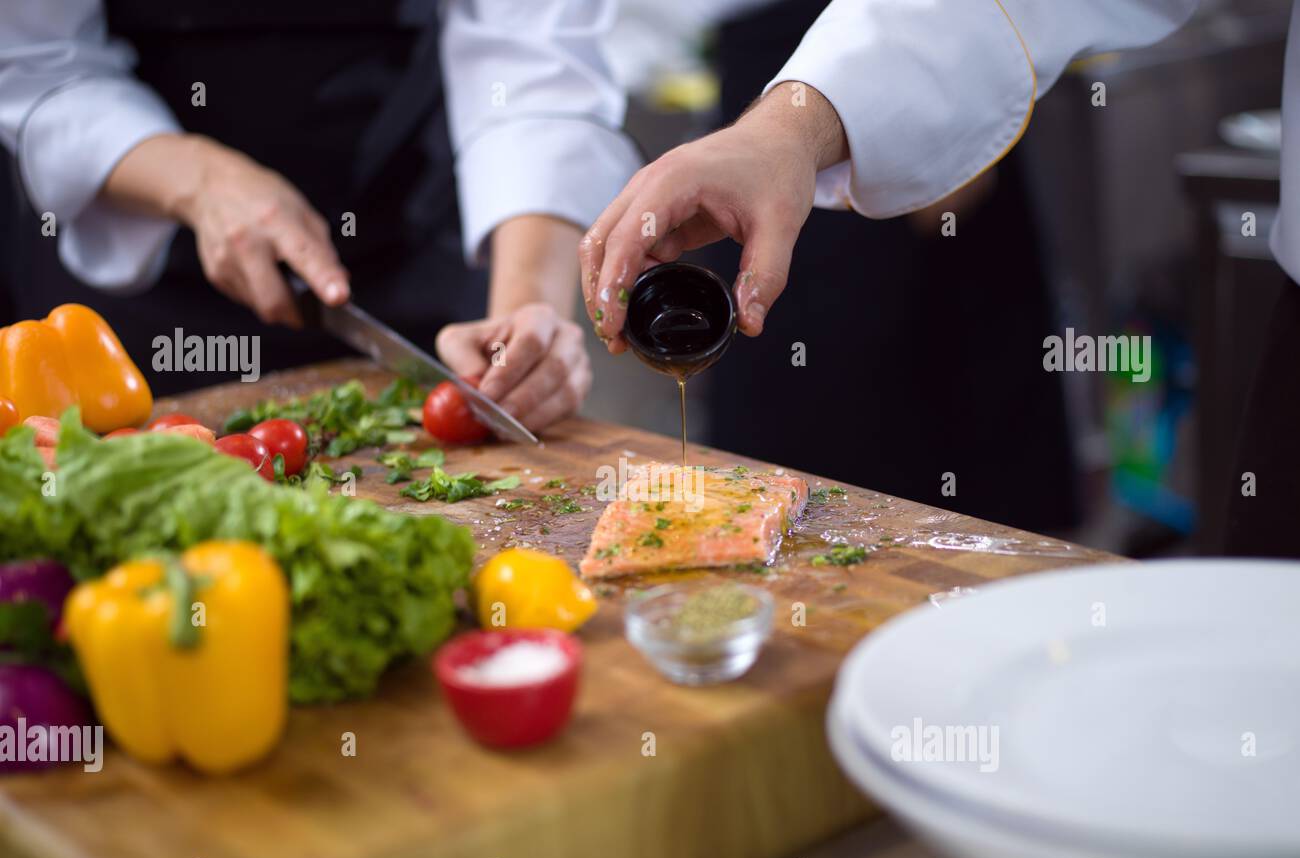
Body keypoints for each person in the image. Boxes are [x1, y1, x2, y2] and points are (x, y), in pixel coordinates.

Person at [583, 0, 1298, 555]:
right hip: (817, 73)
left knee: (960, 460)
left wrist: (938, 133)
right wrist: (784, 131)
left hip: (910, 92)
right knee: (796, 448)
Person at [1, 0, 640, 431]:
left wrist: (526, 316)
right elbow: (32, 60)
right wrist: (200, 182)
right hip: (136, 276)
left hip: (416, 235)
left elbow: (533, 53)